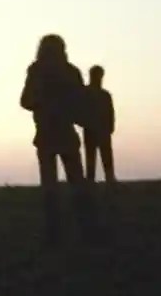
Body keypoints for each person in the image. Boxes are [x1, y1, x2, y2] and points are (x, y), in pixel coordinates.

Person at [19, 34, 99, 244]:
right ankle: (85, 229)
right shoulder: (69, 72)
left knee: (52, 186)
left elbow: (26, 101)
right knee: (75, 183)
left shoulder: (37, 70)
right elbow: (80, 102)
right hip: (61, 133)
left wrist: (43, 103)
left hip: (48, 134)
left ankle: (56, 232)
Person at [83, 66, 117, 185]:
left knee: (106, 157)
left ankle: (109, 180)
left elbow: (110, 112)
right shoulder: (86, 93)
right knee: (91, 158)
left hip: (102, 131)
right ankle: (91, 181)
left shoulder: (105, 95)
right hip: (91, 130)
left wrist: (110, 126)